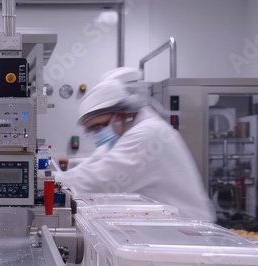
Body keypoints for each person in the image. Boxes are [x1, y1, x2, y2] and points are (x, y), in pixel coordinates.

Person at [55, 73, 214, 221]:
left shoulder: (148, 134)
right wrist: (50, 177)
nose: (97, 134)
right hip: (166, 228)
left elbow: (98, 182)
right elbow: (93, 165)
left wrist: (44, 180)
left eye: (99, 127)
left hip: (187, 230)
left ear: (121, 115)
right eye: (91, 130)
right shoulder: (123, 135)